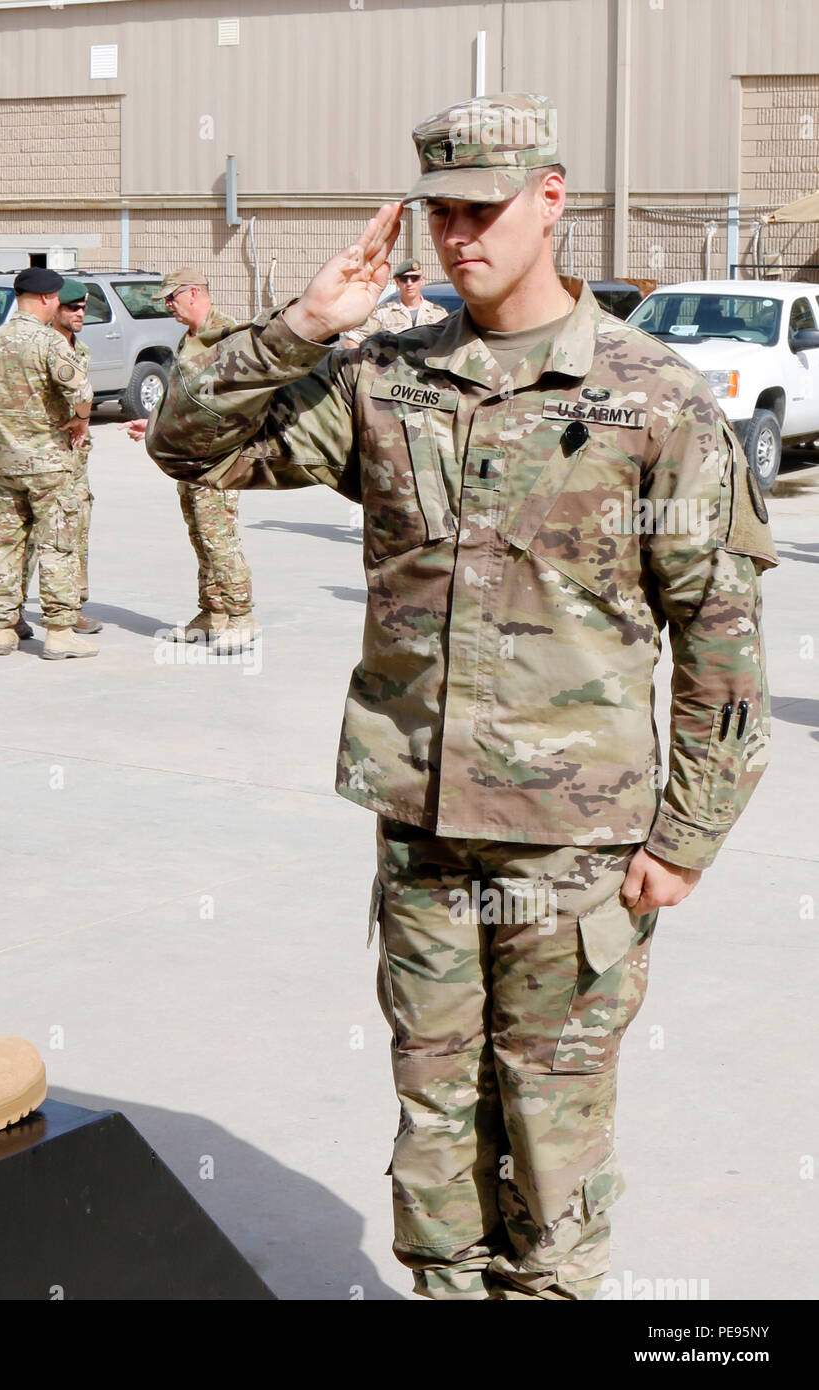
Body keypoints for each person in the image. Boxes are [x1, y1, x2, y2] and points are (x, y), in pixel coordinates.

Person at [147, 91, 776, 1300]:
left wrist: (689, 832)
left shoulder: (651, 398)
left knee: (551, 1126)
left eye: (483, 208)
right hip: (421, 831)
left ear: (551, 200)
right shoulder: (384, 382)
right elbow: (188, 444)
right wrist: (304, 324)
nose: (458, 235)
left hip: (578, 845)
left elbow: (720, 634)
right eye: (439, 210)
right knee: (433, 1119)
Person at [0, 266, 95, 660]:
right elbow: (81, 389)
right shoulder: (49, 342)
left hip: (5, 463)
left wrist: (3, 406)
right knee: (57, 546)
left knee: (6, 545)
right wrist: (80, 420)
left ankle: (3, 630)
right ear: (49, 300)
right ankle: (59, 632)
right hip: (49, 463)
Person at [123, 268, 257, 650]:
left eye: (172, 298)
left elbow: (243, 398)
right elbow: (186, 399)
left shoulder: (229, 335)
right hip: (191, 457)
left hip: (219, 458)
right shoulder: (188, 340)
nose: (168, 306)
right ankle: (212, 612)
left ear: (194, 292)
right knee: (200, 536)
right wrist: (154, 423)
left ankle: (241, 615)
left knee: (219, 537)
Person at [23, 279, 101, 635]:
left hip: (75, 459)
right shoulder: (39, 345)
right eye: (73, 307)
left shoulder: (79, 350)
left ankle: (74, 605)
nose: (80, 313)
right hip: (42, 457)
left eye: (84, 307)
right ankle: (13, 608)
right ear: (55, 308)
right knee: (31, 537)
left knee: (76, 531)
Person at [343, 257, 447, 345]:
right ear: (397, 281)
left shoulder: (438, 314)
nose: (409, 283)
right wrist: (366, 367)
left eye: (414, 278)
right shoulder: (382, 314)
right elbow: (351, 341)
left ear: (422, 280)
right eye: (404, 279)